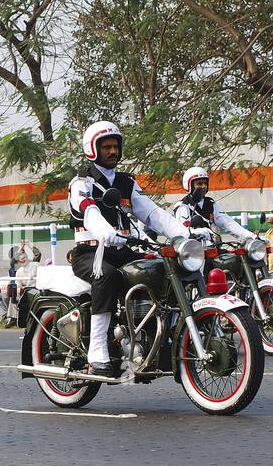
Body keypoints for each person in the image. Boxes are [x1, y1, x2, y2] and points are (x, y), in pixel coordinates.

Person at [67, 120, 188, 376]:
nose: (112, 151)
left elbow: (152, 213)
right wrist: (104, 232)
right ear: (93, 149)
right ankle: (97, 350)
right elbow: (87, 210)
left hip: (122, 250)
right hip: (90, 252)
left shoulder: (126, 182)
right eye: (106, 147)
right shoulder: (82, 182)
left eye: (115, 146)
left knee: (158, 270)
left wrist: (183, 235)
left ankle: (158, 337)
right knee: (107, 275)